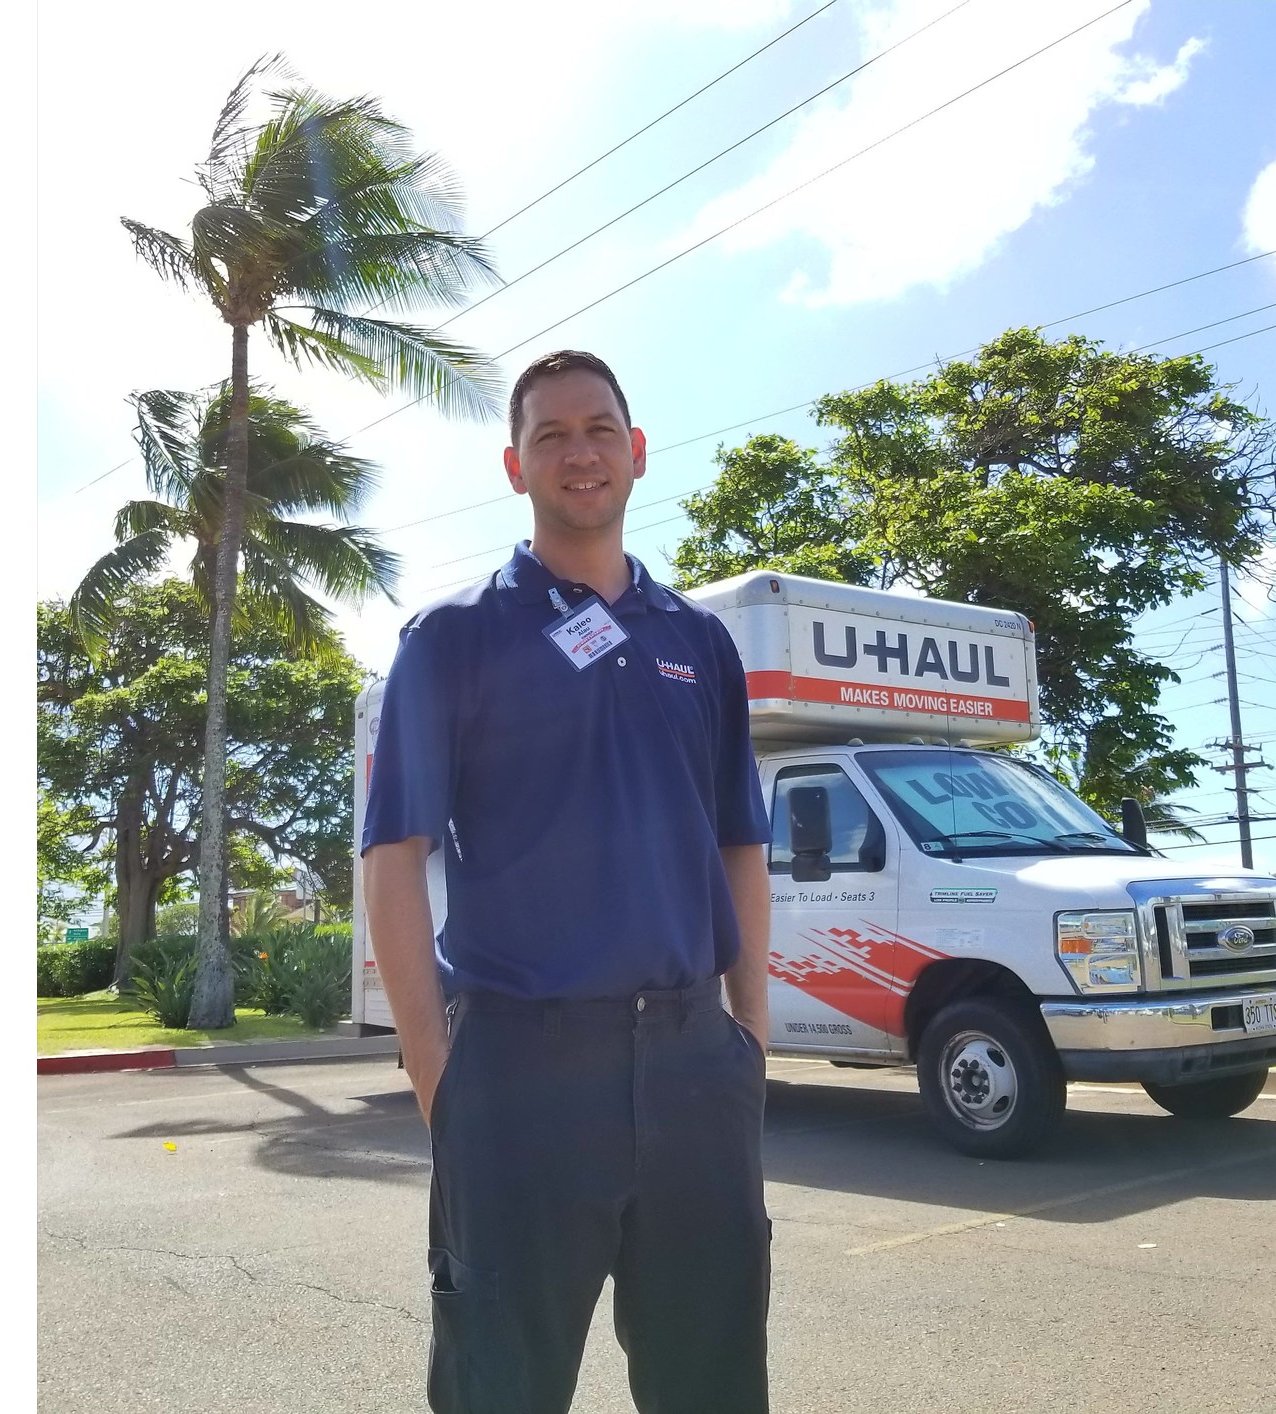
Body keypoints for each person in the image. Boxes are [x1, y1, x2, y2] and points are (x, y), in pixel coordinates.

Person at [360, 349, 775, 1414]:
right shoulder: (453, 639)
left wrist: (748, 1039)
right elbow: (393, 852)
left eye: (599, 429)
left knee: (712, 1384)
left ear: (636, 452)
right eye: (550, 435)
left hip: (694, 1067)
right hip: (518, 1072)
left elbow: (739, 841)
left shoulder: (699, 644)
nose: (578, 452)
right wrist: (434, 1071)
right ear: (515, 466)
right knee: (499, 1388)